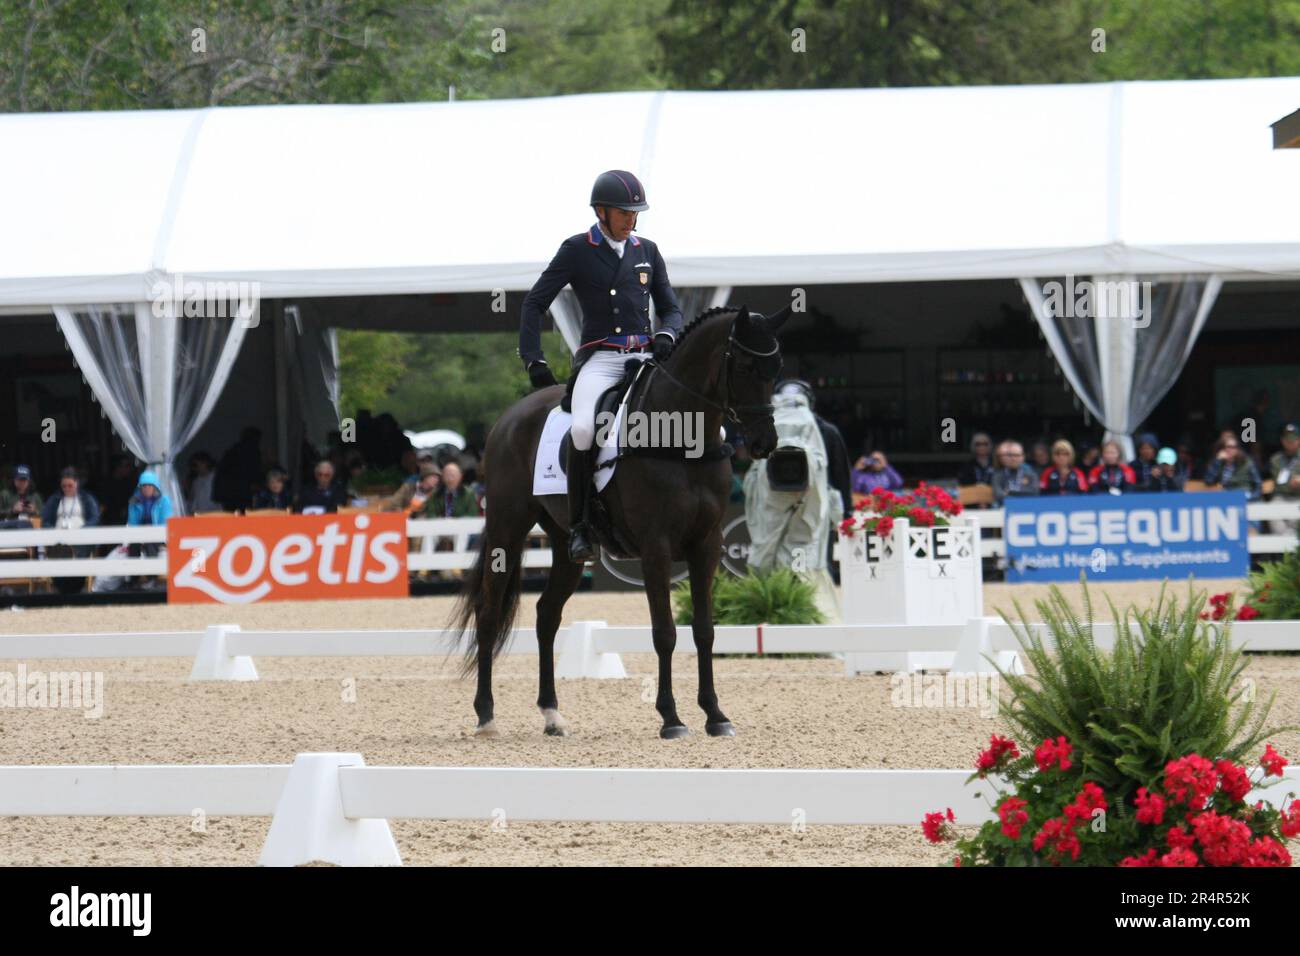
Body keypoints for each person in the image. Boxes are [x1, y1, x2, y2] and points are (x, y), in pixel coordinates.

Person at [519, 169, 682, 562]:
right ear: (601, 211)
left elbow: (671, 308)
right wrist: (533, 358)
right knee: (583, 429)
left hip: (646, 355)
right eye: (624, 212)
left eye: (635, 213)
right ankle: (580, 526)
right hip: (602, 359)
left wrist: (667, 334)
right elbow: (534, 302)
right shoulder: (577, 249)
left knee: (695, 422)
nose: (631, 220)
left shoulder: (648, 251)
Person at [41, 468, 100, 595]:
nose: (67, 489)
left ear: (77, 483)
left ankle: (75, 587)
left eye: (70, 485)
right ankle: (60, 587)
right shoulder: (54, 499)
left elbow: (94, 518)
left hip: (80, 538)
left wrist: (81, 532)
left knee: (79, 551)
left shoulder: (87, 498)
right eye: (64, 486)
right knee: (57, 551)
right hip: (58, 539)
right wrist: (54, 532)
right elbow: (45, 521)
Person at [1203, 435, 1263, 501]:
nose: (1230, 450)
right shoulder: (1220, 463)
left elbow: (1258, 483)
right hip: (1226, 498)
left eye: (1233, 447)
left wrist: (1251, 497)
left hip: (1244, 496)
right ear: (1222, 449)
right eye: (1228, 447)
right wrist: (1217, 461)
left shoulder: (1246, 462)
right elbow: (1208, 481)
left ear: (1238, 449)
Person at [1267, 423, 1300, 533]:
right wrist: (1291, 484)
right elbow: (1279, 484)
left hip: (1299, 496)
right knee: (1271, 509)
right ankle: (1285, 539)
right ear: (1282, 441)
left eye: (1293, 438)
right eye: (1287, 439)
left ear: (1299, 440)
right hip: (1281, 497)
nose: (1290, 441)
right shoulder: (1276, 459)